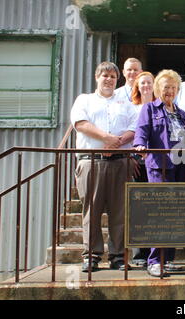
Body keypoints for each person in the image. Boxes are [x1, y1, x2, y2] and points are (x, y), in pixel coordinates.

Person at [70, 61, 138, 272]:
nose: (108, 79)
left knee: (120, 211)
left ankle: (119, 255)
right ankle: (91, 256)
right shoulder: (85, 100)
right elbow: (80, 123)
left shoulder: (126, 103)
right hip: (91, 161)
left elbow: (134, 128)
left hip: (120, 162)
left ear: (117, 80)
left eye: (112, 76)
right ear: (97, 77)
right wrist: (107, 138)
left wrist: (116, 142)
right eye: (105, 75)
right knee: (92, 210)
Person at [133, 69, 185, 278]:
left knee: (175, 213)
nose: (169, 91)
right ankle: (155, 260)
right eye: (166, 87)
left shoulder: (182, 113)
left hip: (180, 167)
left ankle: (169, 259)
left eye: (173, 87)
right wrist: (140, 145)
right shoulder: (149, 109)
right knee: (160, 212)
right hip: (160, 166)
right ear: (159, 88)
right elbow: (142, 131)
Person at [129, 71, 155, 267]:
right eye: (142, 83)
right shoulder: (130, 108)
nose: (146, 86)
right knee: (138, 208)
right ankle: (139, 255)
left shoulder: (159, 107)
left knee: (154, 208)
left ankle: (156, 252)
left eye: (149, 82)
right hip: (135, 162)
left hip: (155, 162)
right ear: (136, 87)